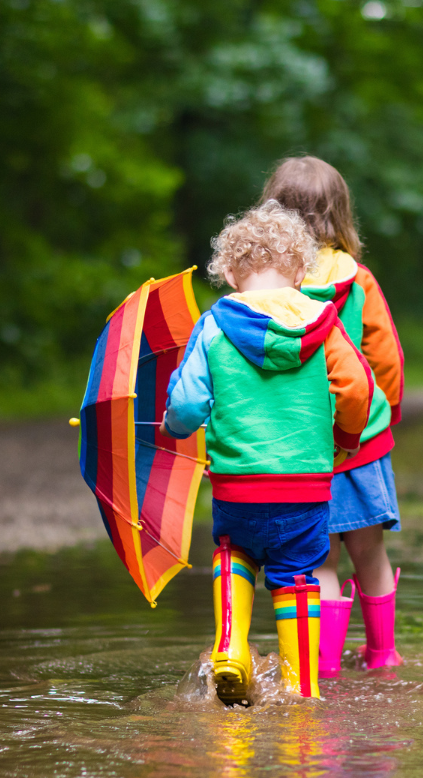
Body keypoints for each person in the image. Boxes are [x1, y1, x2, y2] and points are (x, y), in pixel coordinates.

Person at [161, 200, 373, 704]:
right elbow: (359, 390)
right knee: (297, 575)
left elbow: (188, 404)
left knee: (235, 553)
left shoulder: (213, 326)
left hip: (238, 484)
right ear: (301, 270)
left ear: (231, 274)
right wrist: (343, 439)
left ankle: (230, 647)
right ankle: (303, 684)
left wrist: (174, 422)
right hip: (306, 485)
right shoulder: (323, 322)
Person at [260, 157, 406, 675]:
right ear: (340, 215)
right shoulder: (357, 280)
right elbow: (385, 356)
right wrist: (382, 412)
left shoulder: (265, 289)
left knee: (320, 562)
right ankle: (382, 654)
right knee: (370, 553)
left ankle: (323, 668)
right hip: (360, 441)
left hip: (302, 448)